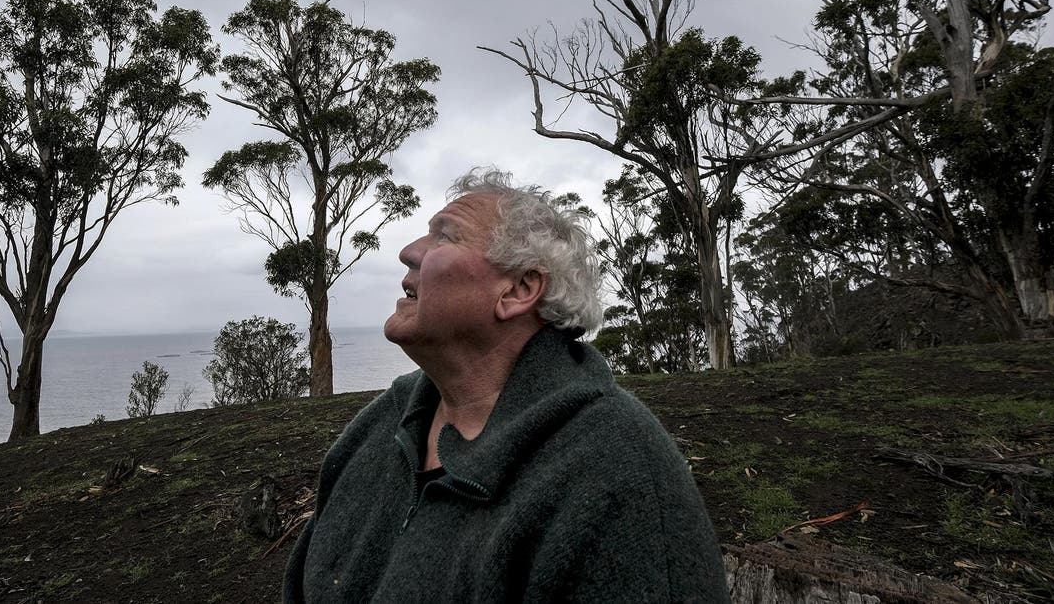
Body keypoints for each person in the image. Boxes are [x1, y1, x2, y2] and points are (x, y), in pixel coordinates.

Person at [282, 169, 729, 603]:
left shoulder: (616, 473)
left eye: (445, 236)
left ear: (518, 290)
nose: (408, 251)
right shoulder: (380, 425)